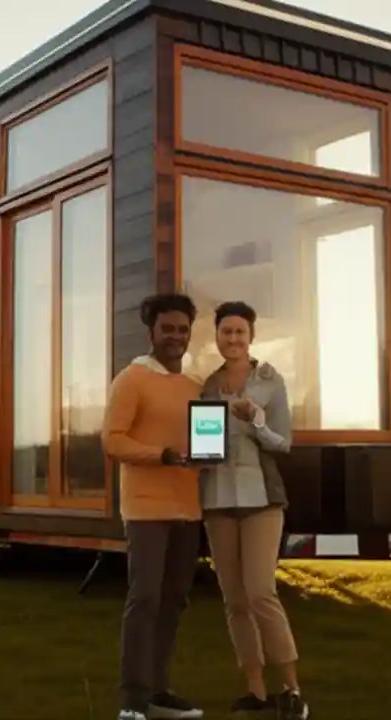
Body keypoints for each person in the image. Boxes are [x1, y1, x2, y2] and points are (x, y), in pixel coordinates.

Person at [199, 301, 310, 720]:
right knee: (235, 600)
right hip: (217, 500)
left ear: (251, 337)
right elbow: (204, 442)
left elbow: (284, 443)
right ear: (217, 336)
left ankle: (292, 690)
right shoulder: (208, 386)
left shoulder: (270, 380)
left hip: (262, 500)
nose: (233, 339)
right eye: (226, 332)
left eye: (240, 332)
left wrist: (257, 419)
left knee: (261, 593)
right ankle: (255, 691)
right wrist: (197, 453)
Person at [102, 292, 206, 720]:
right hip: (146, 509)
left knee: (174, 600)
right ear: (152, 331)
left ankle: (159, 693)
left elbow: (204, 441)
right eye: (168, 329)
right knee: (144, 599)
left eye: (183, 329)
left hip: (188, 508)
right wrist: (160, 455)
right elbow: (113, 440)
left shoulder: (196, 386)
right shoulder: (132, 379)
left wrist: (208, 454)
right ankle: (133, 701)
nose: (176, 336)